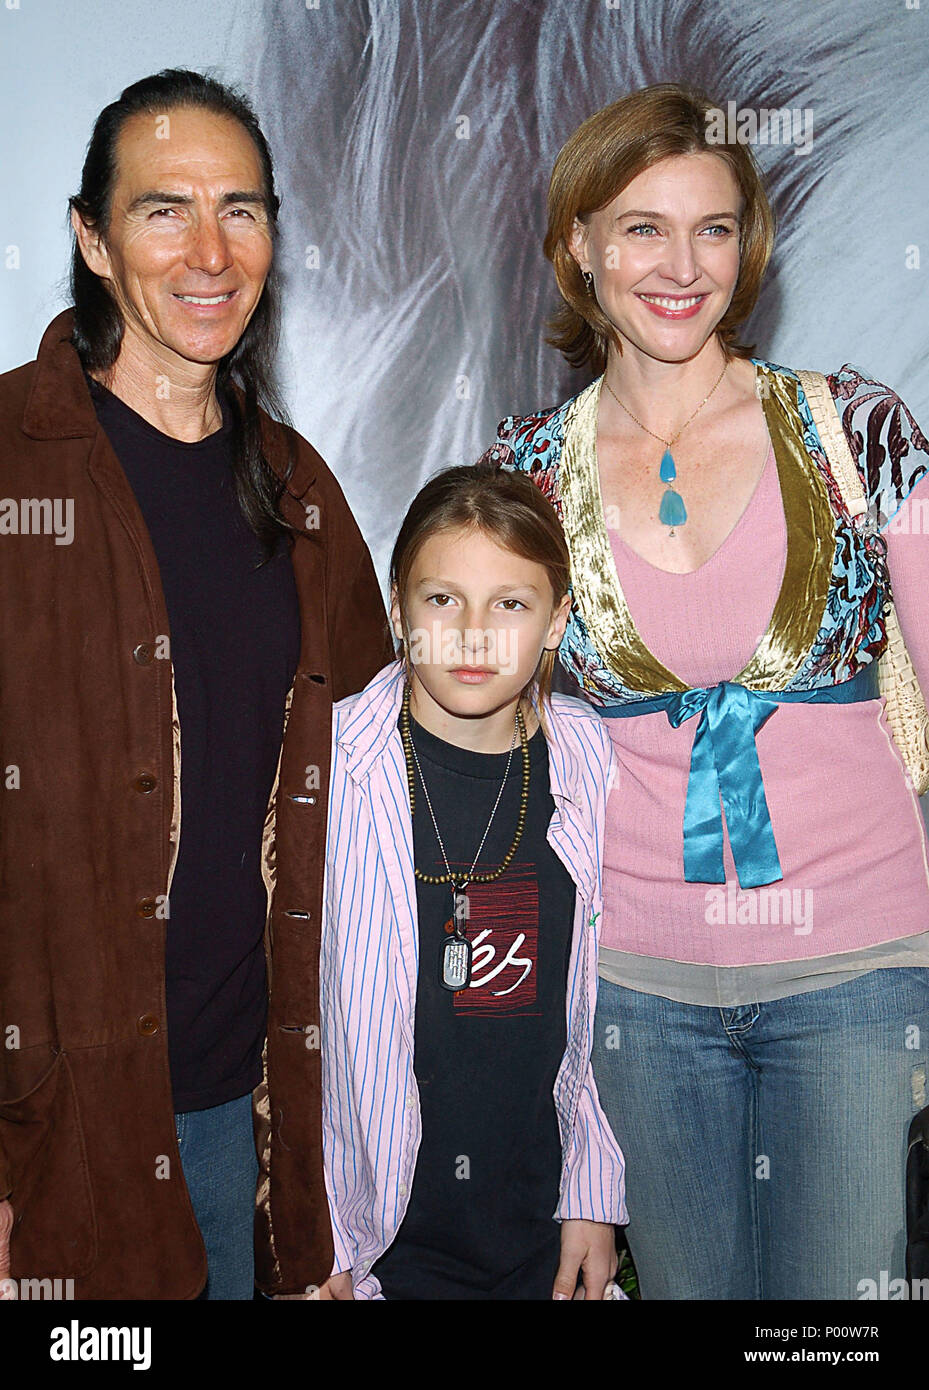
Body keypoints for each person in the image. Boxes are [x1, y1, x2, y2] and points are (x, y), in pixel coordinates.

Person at [477, 82, 929, 1300]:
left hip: (852, 972)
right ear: (577, 244)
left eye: (712, 228)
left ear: (749, 243)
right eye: (639, 227)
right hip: (635, 992)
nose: (680, 266)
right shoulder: (520, 476)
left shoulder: (855, 432)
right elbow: (488, 773)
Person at [0, 69, 392, 1300]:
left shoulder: (302, 492)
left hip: (251, 1121)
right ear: (92, 238)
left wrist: (346, 1182)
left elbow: (377, 805)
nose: (212, 251)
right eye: (165, 209)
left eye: (244, 208)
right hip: (54, 1139)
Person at [317, 464, 627, 1300]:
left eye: (512, 604)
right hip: (375, 1243)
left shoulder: (590, 764)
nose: (474, 635)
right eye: (442, 600)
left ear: (559, 618)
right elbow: (286, 1025)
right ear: (396, 609)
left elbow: (604, 1008)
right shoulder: (329, 767)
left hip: (539, 1241)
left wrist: (592, 1193)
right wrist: (317, 1237)